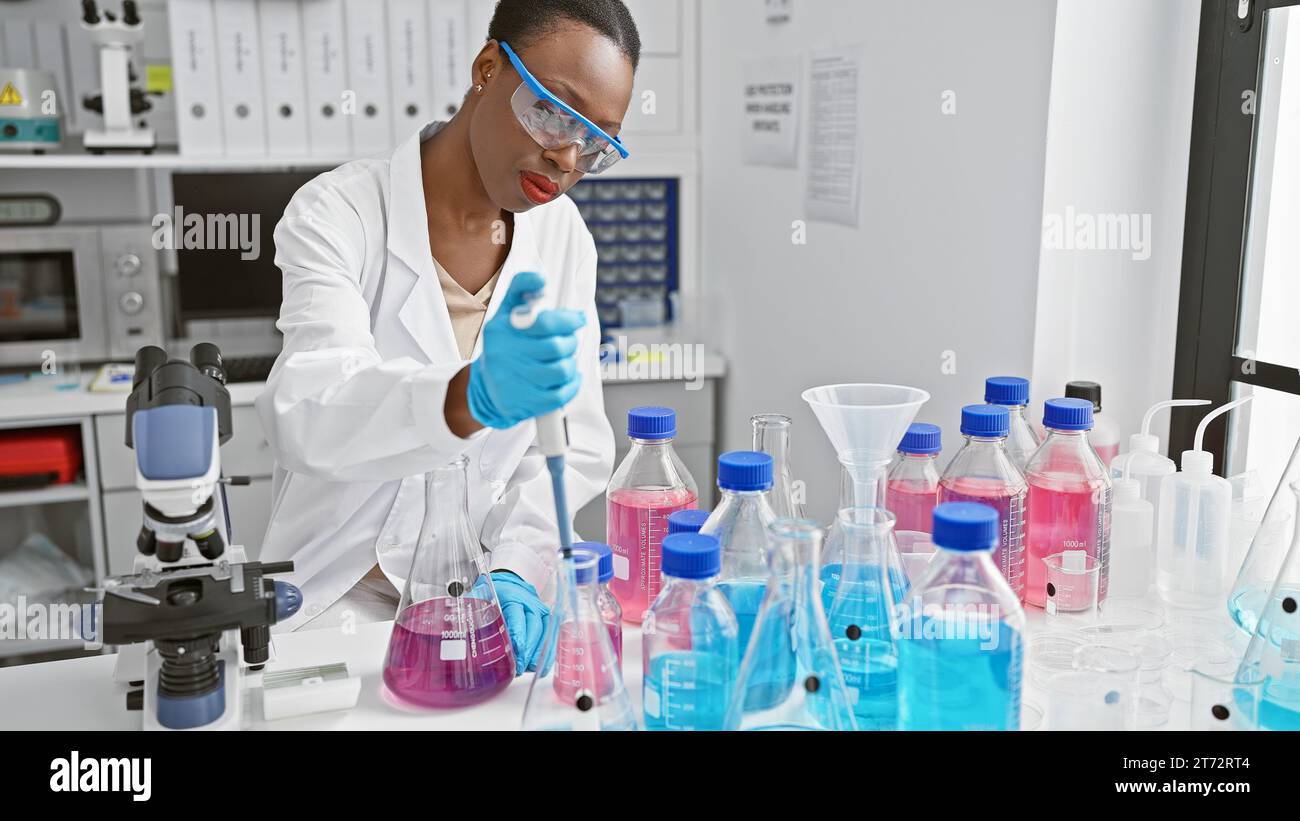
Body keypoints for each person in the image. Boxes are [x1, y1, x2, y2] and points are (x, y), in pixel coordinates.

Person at [255, 0, 640, 675]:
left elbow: (570, 444)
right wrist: (471, 397)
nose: (567, 155)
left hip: (474, 597)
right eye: (553, 110)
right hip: (332, 598)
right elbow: (307, 410)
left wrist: (520, 567)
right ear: (488, 68)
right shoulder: (340, 212)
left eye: (596, 141)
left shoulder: (562, 238)